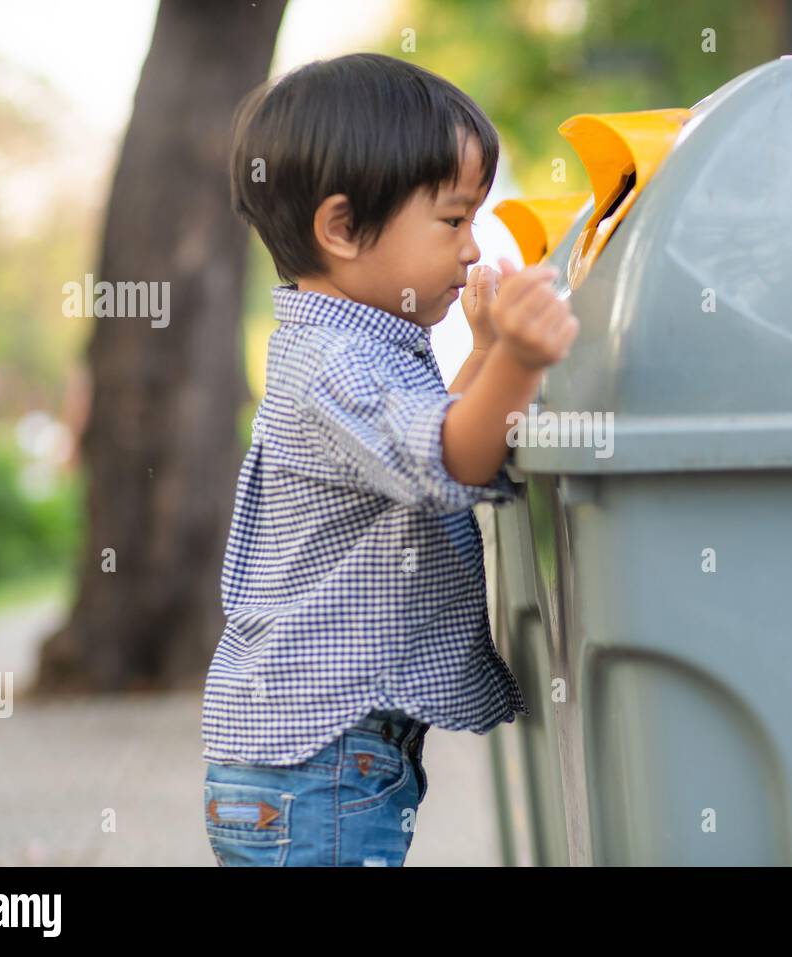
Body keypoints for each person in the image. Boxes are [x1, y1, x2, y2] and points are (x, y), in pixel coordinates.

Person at [201, 53, 579, 866]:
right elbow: (453, 456)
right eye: (453, 221)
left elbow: (431, 438)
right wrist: (517, 359)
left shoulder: (349, 351)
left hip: (316, 764)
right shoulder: (335, 362)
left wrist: (480, 355)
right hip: (319, 767)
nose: (474, 250)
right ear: (341, 229)